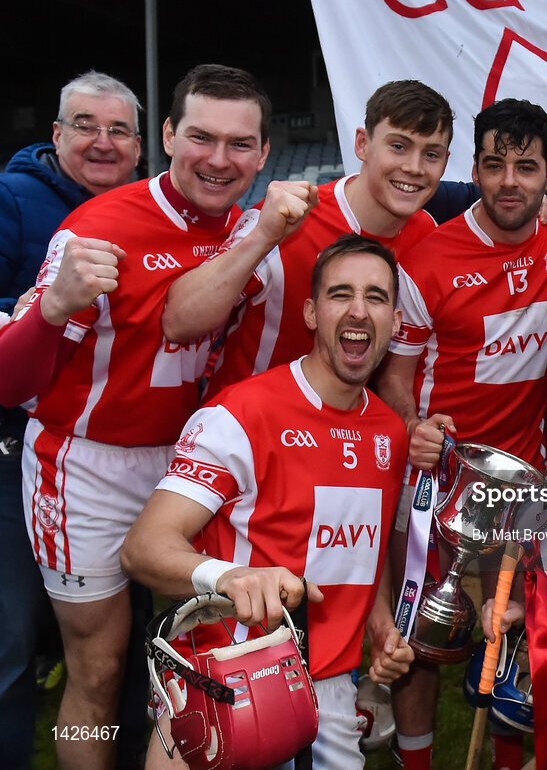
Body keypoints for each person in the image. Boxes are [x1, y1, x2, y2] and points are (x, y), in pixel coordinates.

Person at [0, 64, 298, 770]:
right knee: (97, 670)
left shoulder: (255, 227)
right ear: (166, 136)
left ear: (263, 153)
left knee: (194, 660)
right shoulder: (98, 226)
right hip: (87, 466)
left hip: (191, 464)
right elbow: (11, 377)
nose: (219, 159)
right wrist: (50, 306)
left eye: (239, 143)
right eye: (200, 137)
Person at [122, 234, 413, 769]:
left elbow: (355, 551)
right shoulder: (241, 414)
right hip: (229, 681)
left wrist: (379, 623)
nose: (358, 310)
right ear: (310, 312)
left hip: (331, 697)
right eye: (340, 293)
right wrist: (227, 578)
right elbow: (144, 547)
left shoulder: (390, 433)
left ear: (396, 322)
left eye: (376, 297)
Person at [376, 98, 547, 770]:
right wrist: (412, 425)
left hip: (525, 476)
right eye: (494, 165)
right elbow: (397, 375)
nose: (510, 181)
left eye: (527, 166)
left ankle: (514, 761)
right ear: (475, 169)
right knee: (424, 640)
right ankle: (417, 762)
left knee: (517, 635)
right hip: (439, 480)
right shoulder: (429, 259)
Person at [0, 70, 141, 770]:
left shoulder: (165, 211)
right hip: (35, 453)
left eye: (118, 129)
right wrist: (41, 306)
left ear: (145, 146)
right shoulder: (13, 201)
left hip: (158, 460)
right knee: (26, 645)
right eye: (85, 125)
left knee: (142, 657)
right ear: (55, 135)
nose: (102, 141)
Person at [160, 80, 452, 398]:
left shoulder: (428, 234)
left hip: (344, 437)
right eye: (398, 146)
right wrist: (261, 238)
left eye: (431, 154)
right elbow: (179, 323)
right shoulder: (290, 217)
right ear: (362, 144)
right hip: (246, 433)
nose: (413, 167)